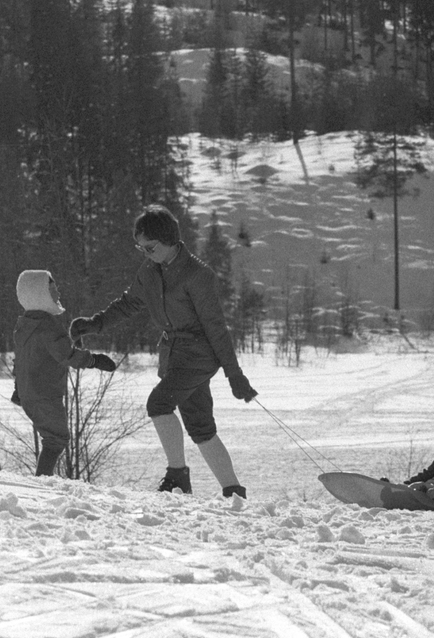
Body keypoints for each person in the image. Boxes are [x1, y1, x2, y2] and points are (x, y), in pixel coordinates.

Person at [69, 204, 256, 499]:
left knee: (158, 404)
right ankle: (234, 492)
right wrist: (96, 323)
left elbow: (217, 329)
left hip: (199, 355)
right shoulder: (150, 270)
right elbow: (130, 303)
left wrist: (235, 376)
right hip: (175, 354)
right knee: (201, 427)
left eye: (150, 247)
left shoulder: (198, 276)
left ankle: (178, 476)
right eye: (141, 248)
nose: (145, 253)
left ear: (169, 239)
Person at [13, 269, 117, 477]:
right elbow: (66, 355)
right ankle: (42, 482)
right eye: (53, 289)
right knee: (56, 439)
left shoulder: (23, 324)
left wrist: (19, 388)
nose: (58, 294)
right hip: (44, 394)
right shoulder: (47, 327)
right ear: (39, 294)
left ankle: (43, 480)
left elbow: (22, 360)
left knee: (53, 437)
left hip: (30, 392)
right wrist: (94, 360)